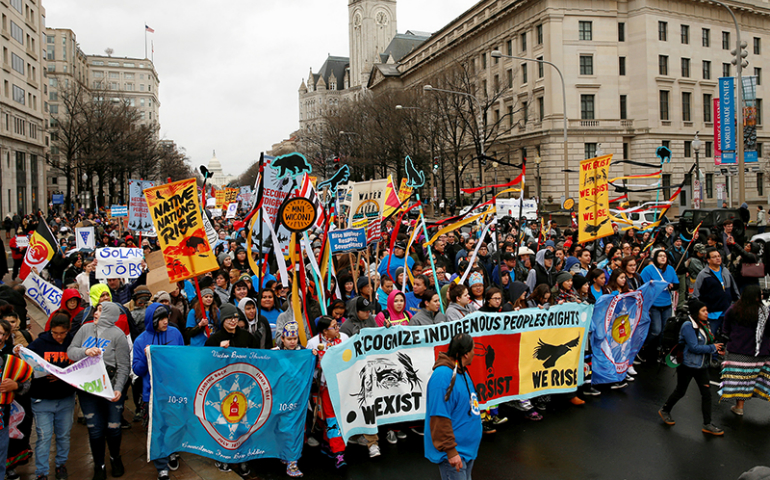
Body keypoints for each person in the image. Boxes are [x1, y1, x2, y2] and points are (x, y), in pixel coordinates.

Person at [67, 302, 131, 480]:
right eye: (97, 310)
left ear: (110, 315)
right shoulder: (85, 329)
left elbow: (124, 366)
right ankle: (99, 465)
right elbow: (71, 351)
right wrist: (85, 351)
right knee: (94, 429)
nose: (96, 313)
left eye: (101, 310)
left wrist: (118, 389)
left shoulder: (118, 335)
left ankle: (115, 457)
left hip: (110, 390)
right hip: (88, 390)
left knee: (113, 427)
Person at [131, 304, 184, 480]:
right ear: (152, 321)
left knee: (174, 424)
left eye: (166, 317)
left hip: (173, 391)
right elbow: (137, 370)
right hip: (152, 393)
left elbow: (183, 357)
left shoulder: (175, 334)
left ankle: (172, 452)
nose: (165, 321)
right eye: (161, 319)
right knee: (156, 429)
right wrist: (148, 358)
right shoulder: (140, 341)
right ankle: (161, 465)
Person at [658, 298, 725, 436]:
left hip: (702, 366)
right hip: (688, 365)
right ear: (696, 312)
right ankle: (665, 410)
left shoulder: (704, 324)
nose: (707, 313)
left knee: (706, 394)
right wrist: (713, 347)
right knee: (680, 391)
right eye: (703, 311)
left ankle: (707, 424)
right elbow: (694, 347)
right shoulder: (688, 326)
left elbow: (708, 342)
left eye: (706, 310)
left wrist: (717, 348)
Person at [424, 333, 482, 480]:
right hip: (455, 454)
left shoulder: (460, 370)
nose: (475, 353)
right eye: (474, 349)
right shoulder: (443, 377)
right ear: (467, 354)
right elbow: (439, 416)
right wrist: (451, 451)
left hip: (466, 452)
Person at [25, 314, 75, 480]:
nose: (59, 336)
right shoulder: (40, 343)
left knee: (63, 434)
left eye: (62, 333)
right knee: (44, 436)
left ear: (68, 330)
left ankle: (61, 465)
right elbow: (27, 361)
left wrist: (62, 375)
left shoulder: (73, 342)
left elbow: (79, 366)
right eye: (55, 333)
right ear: (50, 330)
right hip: (42, 399)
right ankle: (42, 472)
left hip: (65, 398)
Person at [306, 316, 354, 467]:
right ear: (325, 331)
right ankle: (339, 453)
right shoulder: (313, 343)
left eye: (337, 324)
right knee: (332, 418)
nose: (338, 328)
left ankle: (328, 446)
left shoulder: (345, 338)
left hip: (343, 385)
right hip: (325, 388)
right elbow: (308, 368)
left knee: (338, 418)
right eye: (334, 326)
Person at [720, 285, 770, 416]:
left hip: (738, 351)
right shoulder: (765, 311)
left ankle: (739, 407)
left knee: (742, 380)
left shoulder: (734, 309)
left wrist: (723, 344)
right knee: (757, 379)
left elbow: (725, 329)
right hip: (760, 352)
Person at [693, 247, 739, 339]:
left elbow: (734, 289)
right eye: (714, 257)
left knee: (727, 337)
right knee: (710, 338)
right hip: (711, 314)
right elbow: (696, 294)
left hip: (727, 311)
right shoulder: (703, 274)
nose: (718, 258)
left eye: (719, 256)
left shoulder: (726, 271)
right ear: (708, 260)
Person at [640, 249, 679, 357]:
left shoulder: (670, 269)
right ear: (655, 257)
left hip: (666, 304)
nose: (663, 258)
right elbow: (642, 285)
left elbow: (677, 285)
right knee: (656, 330)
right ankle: (643, 345)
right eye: (660, 256)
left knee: (664, 330)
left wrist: (672, 285)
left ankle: (659, 348)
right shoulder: (648, 269)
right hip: (654, 305)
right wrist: (650, 284)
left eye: (665, 256)